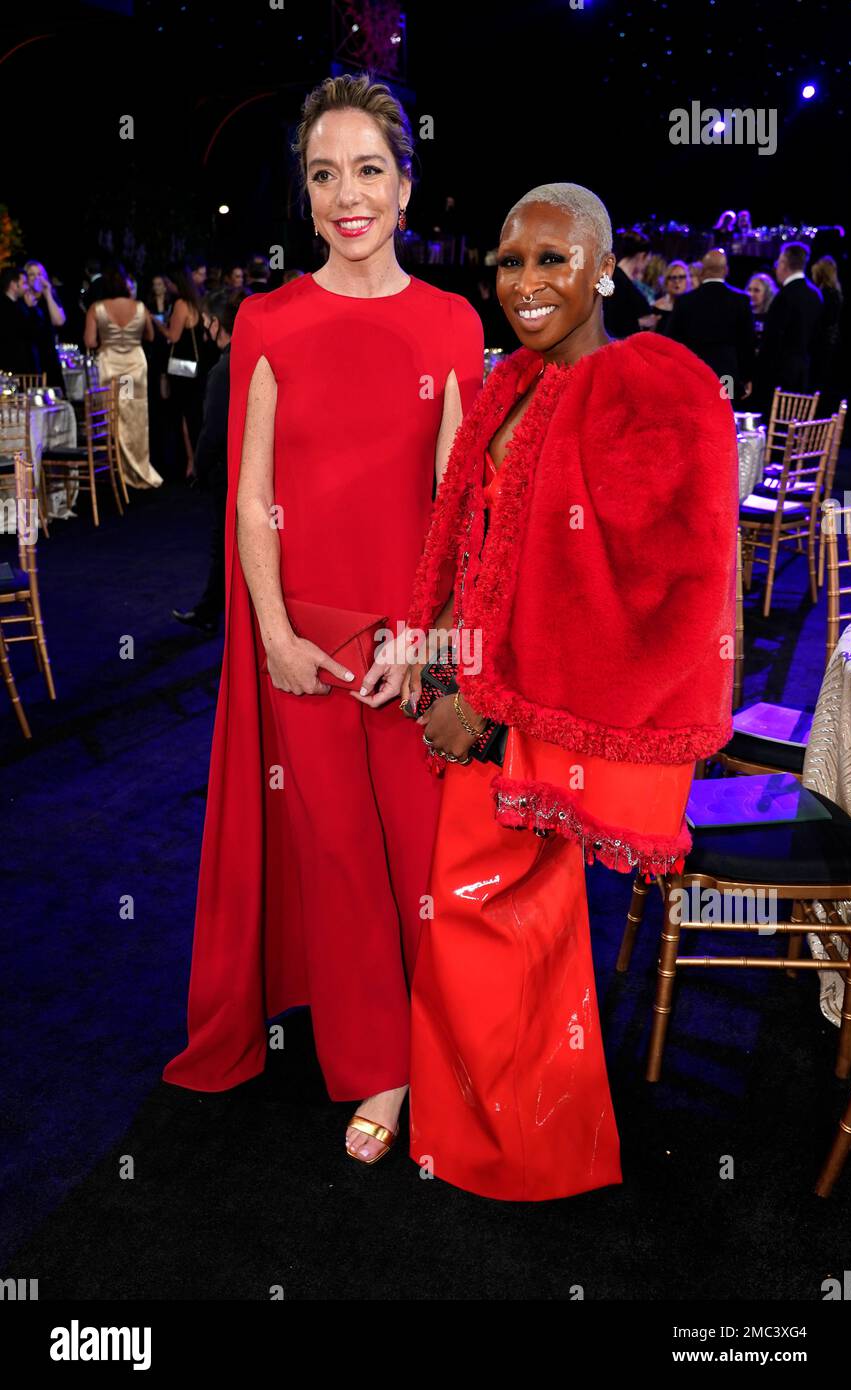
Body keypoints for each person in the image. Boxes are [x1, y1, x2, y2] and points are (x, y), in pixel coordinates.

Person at [162, 73, 484, 1166]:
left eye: (368, 170)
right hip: (301, 642)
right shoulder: (268, 320)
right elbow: (249, 496)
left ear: (405, 185)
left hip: (403, 643)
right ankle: (378, 1068)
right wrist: (271, 635)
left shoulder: (449, 323)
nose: (348, 195)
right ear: (305, 194)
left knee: (423, 863)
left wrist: (424, 639)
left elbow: (456, 506)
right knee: (340, 861)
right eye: (323, 174)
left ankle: (448, 1041)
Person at [402, 182, 737, 1201]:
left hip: (531, 714)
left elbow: (649, 591)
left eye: (553, 258)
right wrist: (436, 656)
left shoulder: (640, 386)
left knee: (489, 915)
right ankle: (514, 1139)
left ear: (604, 270)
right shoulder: (509, 381)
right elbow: (477, 544)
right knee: (501, 920)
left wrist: (488, 703)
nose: (526, 281)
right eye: (510, 261)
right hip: (476, 692)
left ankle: (518, 1149)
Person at [172, 288, 246, 634]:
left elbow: (213, 430)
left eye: (205, 321)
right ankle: (212, 611)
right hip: (248, 467)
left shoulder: (224, 369)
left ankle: (212, 614)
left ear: (216, 323)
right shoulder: (251, 359)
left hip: (229, 470)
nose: (203, 328)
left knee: (225, 544)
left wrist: (198, 468)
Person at [84, 263, 163, 489]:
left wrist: (107, 339)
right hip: (133, 367)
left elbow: (90, 341)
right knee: (133, 416)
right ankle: (135, 467)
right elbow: (150, 336)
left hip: (110, 367)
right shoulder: (139, 307)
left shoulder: (97, 308)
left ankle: (116, 468)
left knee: (112, 415)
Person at [665, 248, 755, 401]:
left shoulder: (685, 301)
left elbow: (672, 341)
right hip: (727, 376)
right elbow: (747, 343)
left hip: (693, 375)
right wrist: (747, 376)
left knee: (696, 413)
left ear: (702, 271)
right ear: (726, 270)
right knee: (723, 413)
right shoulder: (741, 301)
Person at [754, 241, 823, 412]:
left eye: (778, 262)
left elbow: (771, 340)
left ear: (784, 263)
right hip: (805, 374)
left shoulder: (783, 297)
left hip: (779, 377)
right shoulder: (815, 295)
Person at [156, 267, 208, 477]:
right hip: (197, 365)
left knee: (184, 415)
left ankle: (190, 461)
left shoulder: (180, 304)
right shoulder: (196, 302)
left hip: (182, 367)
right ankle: (197, 460)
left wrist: (156, 323)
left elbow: (173, 336)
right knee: (195, 413)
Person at [602, 229, 658, 337]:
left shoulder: (621, 278)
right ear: (642, 256)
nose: (646, 267)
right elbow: (610, 319)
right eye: (647, 261)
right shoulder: (617, 279)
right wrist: (640, 322)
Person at [22, 259, 66, 389]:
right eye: (32, 274)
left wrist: (48, 294)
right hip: (30, 353)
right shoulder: (22, 299)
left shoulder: (50, 296)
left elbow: (59, 321)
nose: (36, 278)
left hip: (48, 352)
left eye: (39, 274)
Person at [810, 254, 843, 410]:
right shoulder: (835, 293)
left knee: (819, 383)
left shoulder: (824, 295)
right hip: (830, 344)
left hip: (822, 345)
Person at [0, 266, 38, 375]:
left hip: (20, 366)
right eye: (24, 283)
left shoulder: (19, 305)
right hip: (13, 367)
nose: (27, 287)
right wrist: (31, 309)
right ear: (13, 284)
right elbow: (28, 333)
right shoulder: (6, 308)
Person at [653, 258, 690, 333]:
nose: (677, 281)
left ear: (687, 280)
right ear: (666, 281)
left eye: (681, 277)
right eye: (673, 278)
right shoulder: (657, 307)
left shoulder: (691, 306)